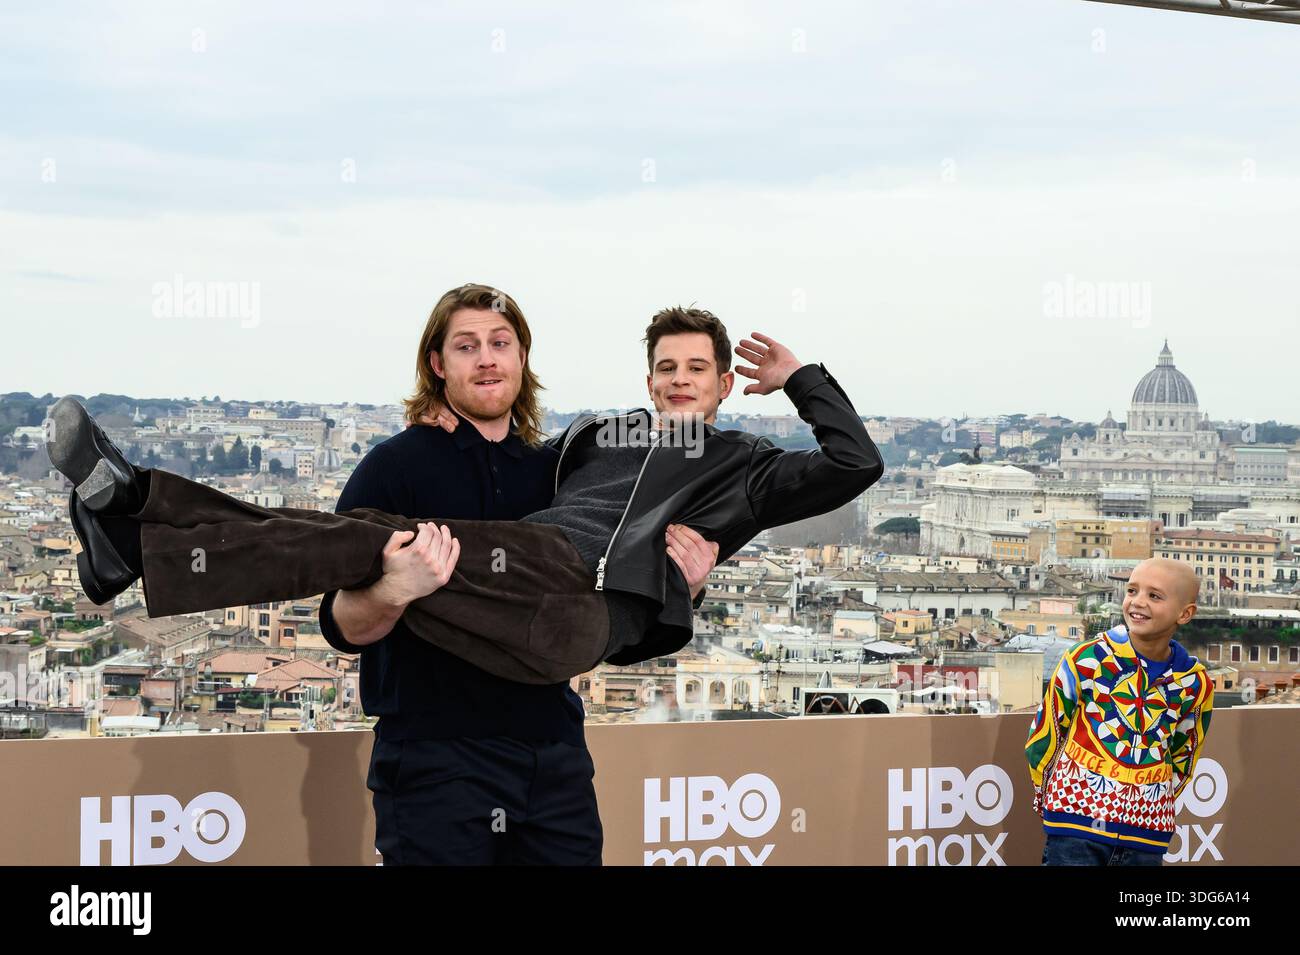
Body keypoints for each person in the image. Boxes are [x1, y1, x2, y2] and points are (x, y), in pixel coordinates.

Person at [1025, 557, 1215, 866]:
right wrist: (1051, 798)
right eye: (1132, 591)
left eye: (1154, 596)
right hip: (1074, 829)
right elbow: (1047, 731)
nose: (1138, 602)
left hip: (1146, 839)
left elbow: (1184, 755)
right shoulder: (1085, 659)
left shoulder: (1196, 684)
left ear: (1185, 613)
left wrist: (1152, 800)